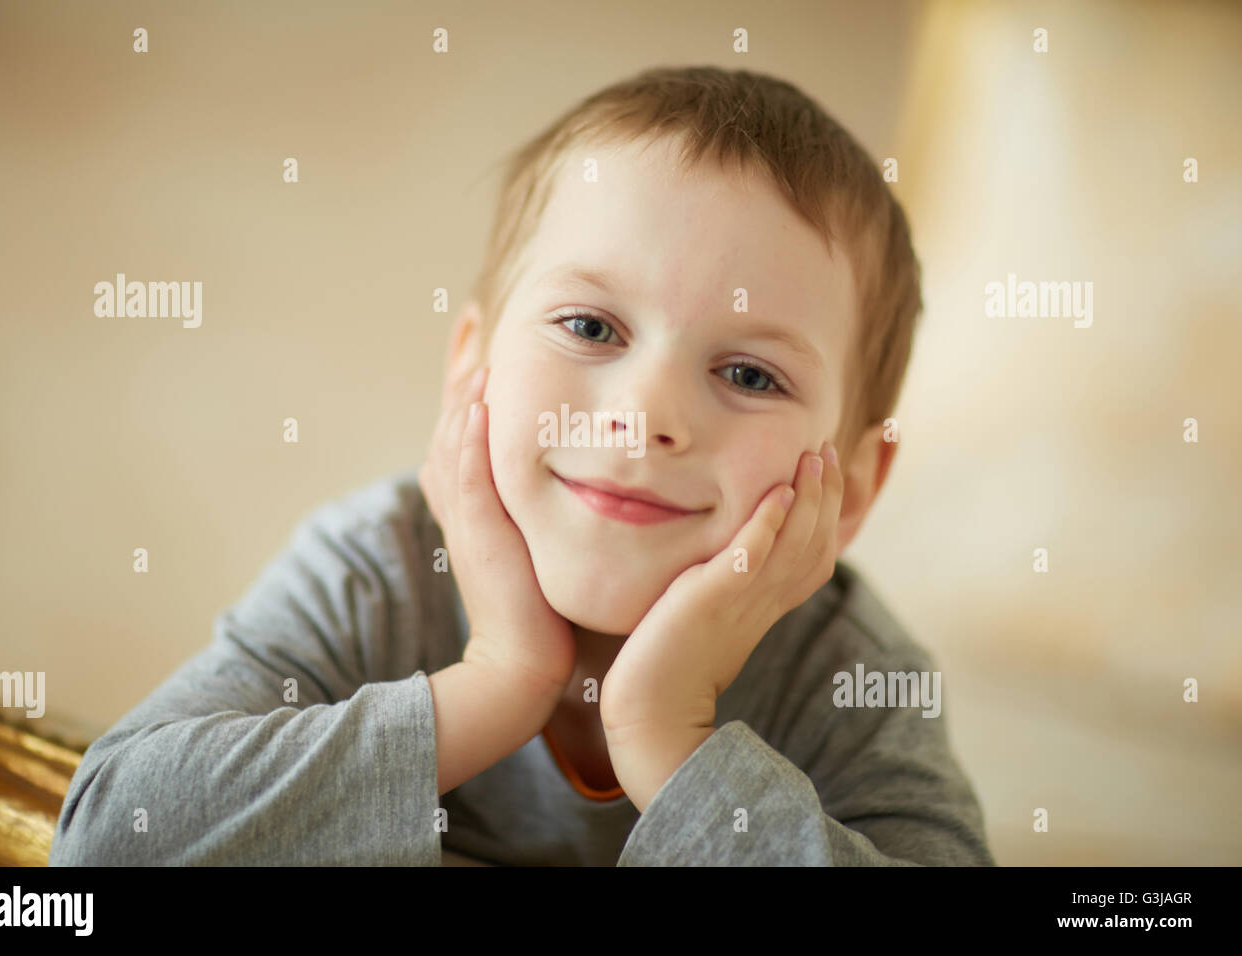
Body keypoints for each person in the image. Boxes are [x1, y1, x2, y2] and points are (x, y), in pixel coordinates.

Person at [49, 66, 993, 866]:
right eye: (590, 327)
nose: (644, 417)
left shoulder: (849, 677)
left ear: (856, 485)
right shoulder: (375, 573)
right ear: (473, 366)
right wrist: (498, 681)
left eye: (749, 373)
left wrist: (672, 743)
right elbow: (107, 836)